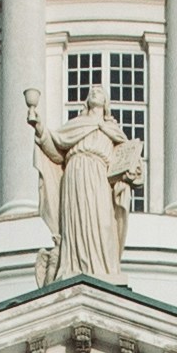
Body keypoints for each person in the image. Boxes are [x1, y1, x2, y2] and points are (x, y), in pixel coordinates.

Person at [30, 86, 144, 284]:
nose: (94, 92)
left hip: (99, 175)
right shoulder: (76, 125)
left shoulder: (113, 132)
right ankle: (73, 266)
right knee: (76, 219)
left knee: (102, 221)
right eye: (91, 91)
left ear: (106, 102)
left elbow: (130, 164)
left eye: (99, 92)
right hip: (75, 174)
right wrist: (40, 128)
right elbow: (55, 151)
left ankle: (103, 267)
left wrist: (132, 173)